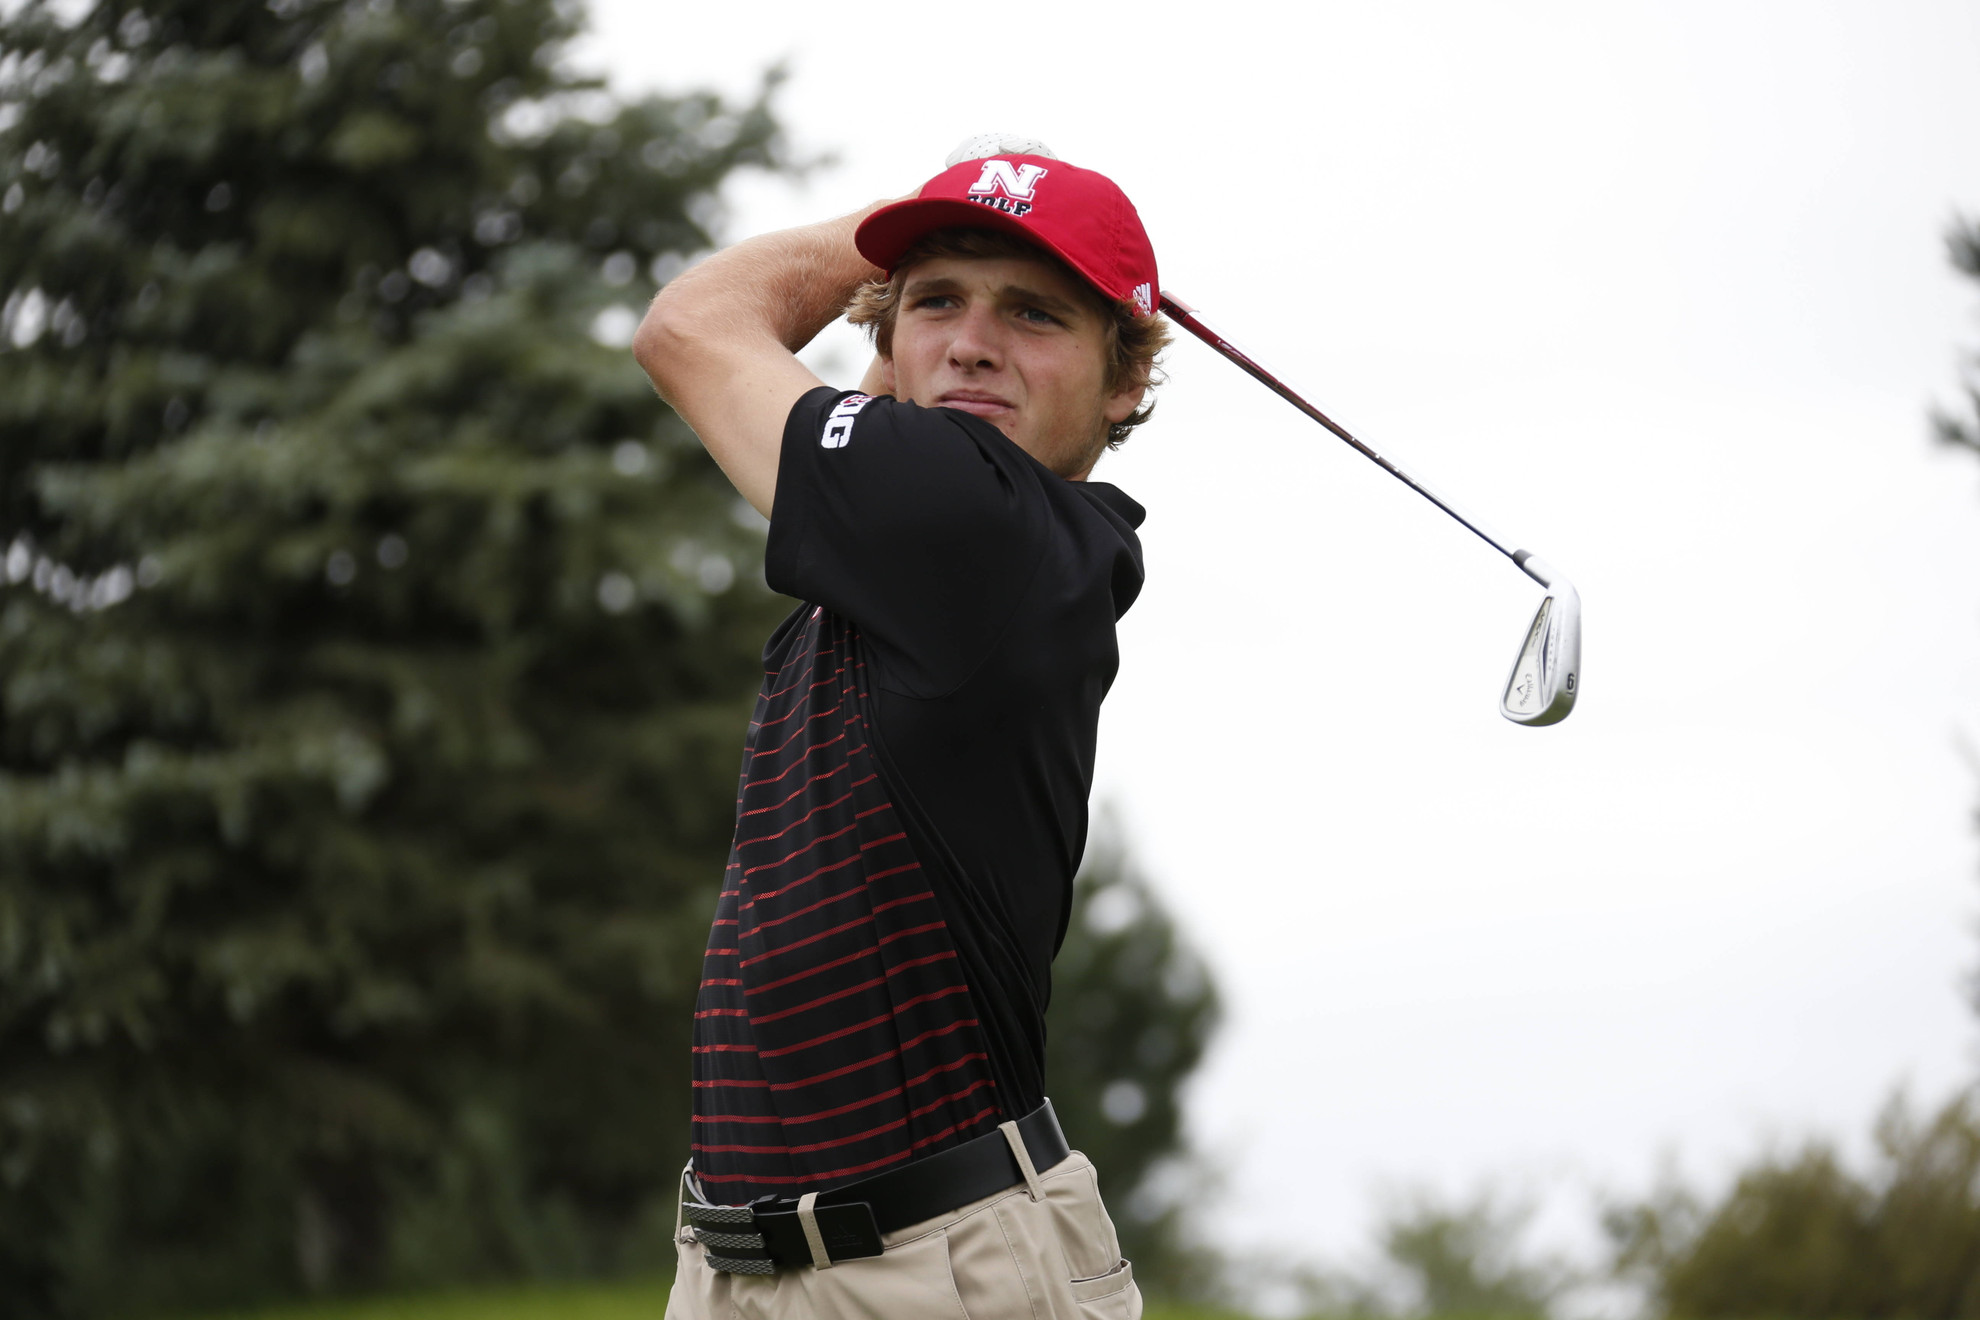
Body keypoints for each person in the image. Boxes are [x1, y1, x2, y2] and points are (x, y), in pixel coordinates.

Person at [632, 136, 1169, 1320]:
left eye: (1035, 313)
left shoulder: (981, 533)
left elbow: (689, 328)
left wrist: (888, 223)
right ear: (885, 347)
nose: (973, 340)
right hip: (743, 1267)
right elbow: (906, 395)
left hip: (934, 1272)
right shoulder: (913, 565)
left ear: (1127, 382)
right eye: (937, 301)